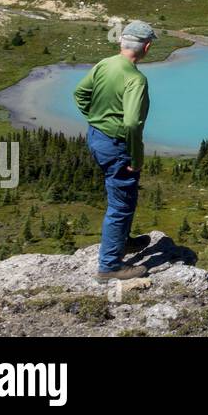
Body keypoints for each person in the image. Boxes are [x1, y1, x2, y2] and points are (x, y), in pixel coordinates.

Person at [73, 20, 158, 280]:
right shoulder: (135, 79)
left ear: (122, 43)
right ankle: (109, 266)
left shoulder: (104, 64)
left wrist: (98, 119)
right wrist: (136, 155)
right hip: (118, 146)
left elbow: (79, 94)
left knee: (123, 198)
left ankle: (121, 241)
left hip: (97, 137)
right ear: (147, 47)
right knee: (120, 205)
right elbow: (132, 122)